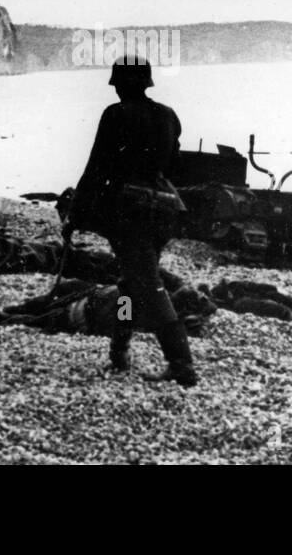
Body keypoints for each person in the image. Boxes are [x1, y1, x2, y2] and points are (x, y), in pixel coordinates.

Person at [65, 56, 196, 387]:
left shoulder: (115, 114)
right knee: (128, 283)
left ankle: (182, 366)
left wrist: (76, 215)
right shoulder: (169, 116)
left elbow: (97, 169)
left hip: (131, 214)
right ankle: (119, 352)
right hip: (166, 210)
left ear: (121, 84)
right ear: (147, 83)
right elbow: (177, 167)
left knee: (149, 286)